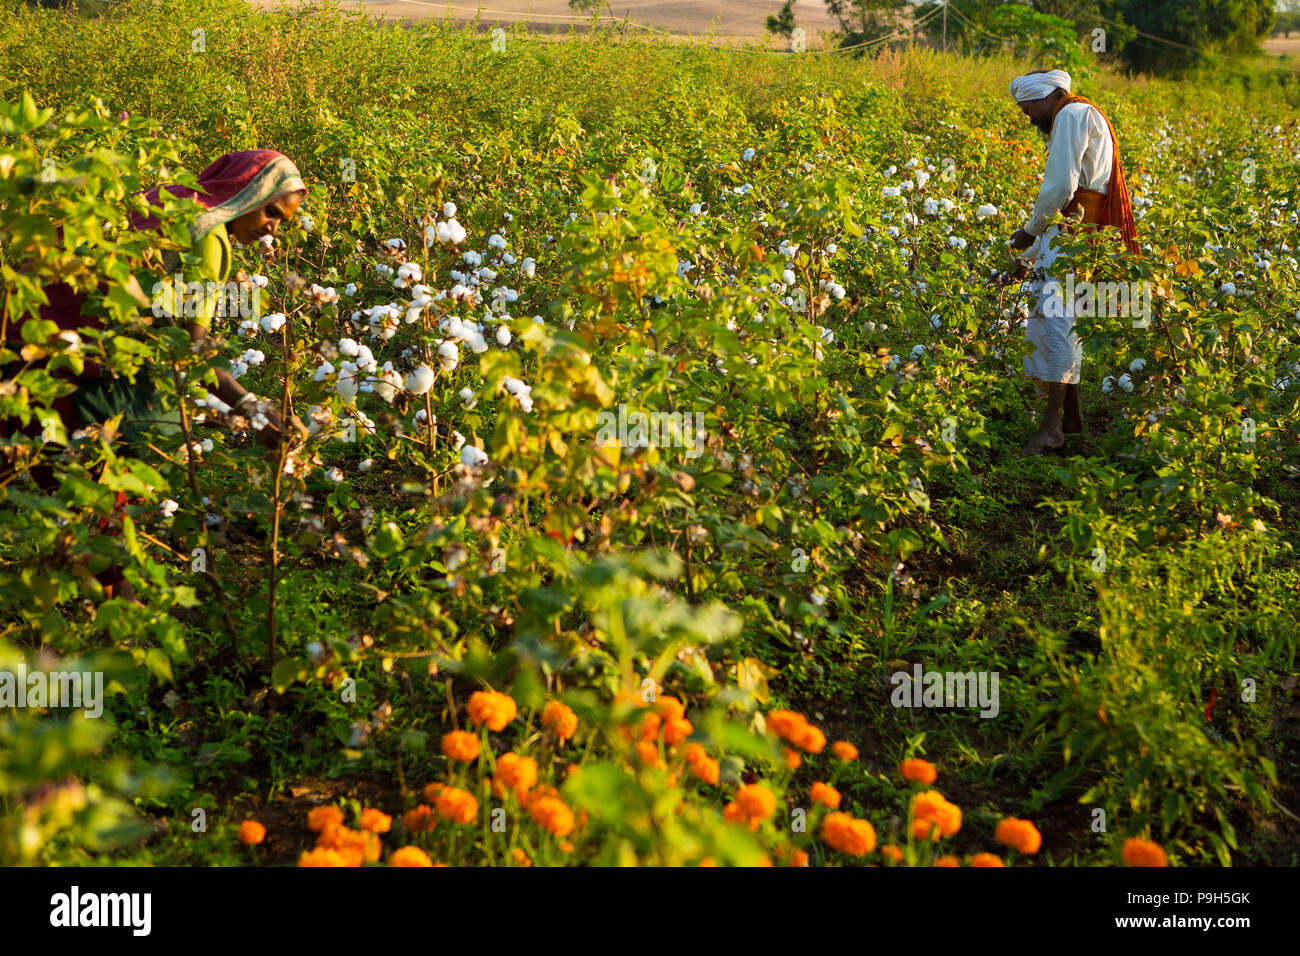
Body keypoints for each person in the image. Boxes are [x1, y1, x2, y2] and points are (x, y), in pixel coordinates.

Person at [1, 149, 307, 598]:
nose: (272, 229)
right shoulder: (208, 236)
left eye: (282, 222)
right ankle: (122, 621)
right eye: (271, 212)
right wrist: (251, 408)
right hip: (81, 363)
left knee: (57, 473)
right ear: (246, 193)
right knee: (115, 474)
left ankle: (106, 603)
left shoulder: (164, 201)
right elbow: (189, 346)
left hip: (26, 335)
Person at [1005, 69, 1139, 455]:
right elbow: (1073, 200)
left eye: (1027, 106)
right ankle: (1073, 425)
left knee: (1059, 327)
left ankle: (1051, 431)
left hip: (1071, 238)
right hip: (1079, 233)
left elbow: (1062, 186)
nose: (1027, 115)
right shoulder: (1082, 114)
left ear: (1048, 96)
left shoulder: (1069, 115)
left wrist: (1029, 232)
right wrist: (1030, 257)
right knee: (1065, 326)